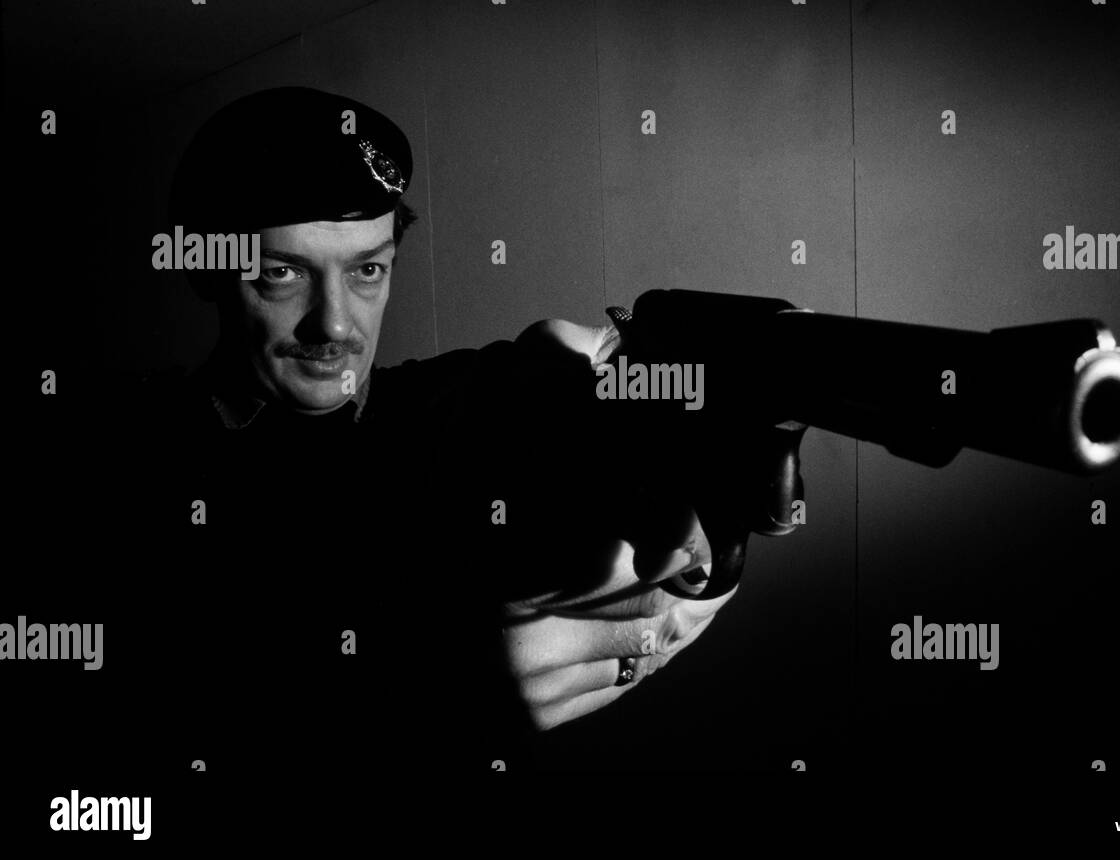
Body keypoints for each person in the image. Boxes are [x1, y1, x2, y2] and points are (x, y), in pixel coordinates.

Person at [132, 86, 798, 760]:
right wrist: (413, 702)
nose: (334, 323)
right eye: (281, 273)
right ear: (205, 273)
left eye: (368, 270)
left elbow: (541, 399)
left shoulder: (451, 401)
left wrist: (667, 448)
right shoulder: (128, 459)